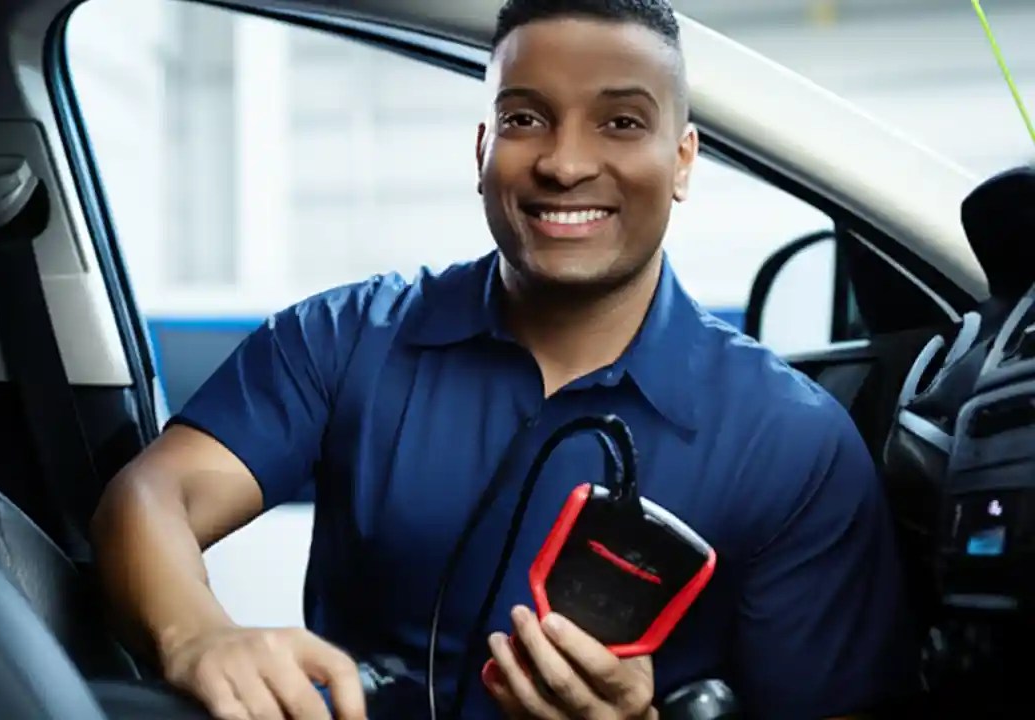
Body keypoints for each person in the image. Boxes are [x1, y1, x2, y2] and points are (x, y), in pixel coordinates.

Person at [91, 0, 920, 718]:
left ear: (682, 161)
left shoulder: (792, 441)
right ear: (482, 149)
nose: (564, 163)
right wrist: (198, 637)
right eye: (526, 119)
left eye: (622, 122)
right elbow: (152, 494)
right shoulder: (345, 337)